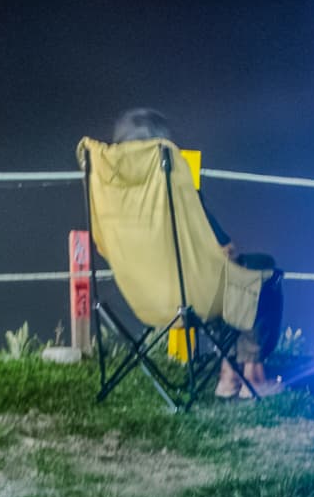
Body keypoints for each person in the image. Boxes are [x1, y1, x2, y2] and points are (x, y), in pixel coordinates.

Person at [110, 108, 284, 397]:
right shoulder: (173, 188)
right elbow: (223, 248)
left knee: (235, 281)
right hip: (191, 295)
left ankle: (231, 374)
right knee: (263, 272)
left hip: (142, 293)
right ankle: (249, 374)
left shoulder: (116, 198)